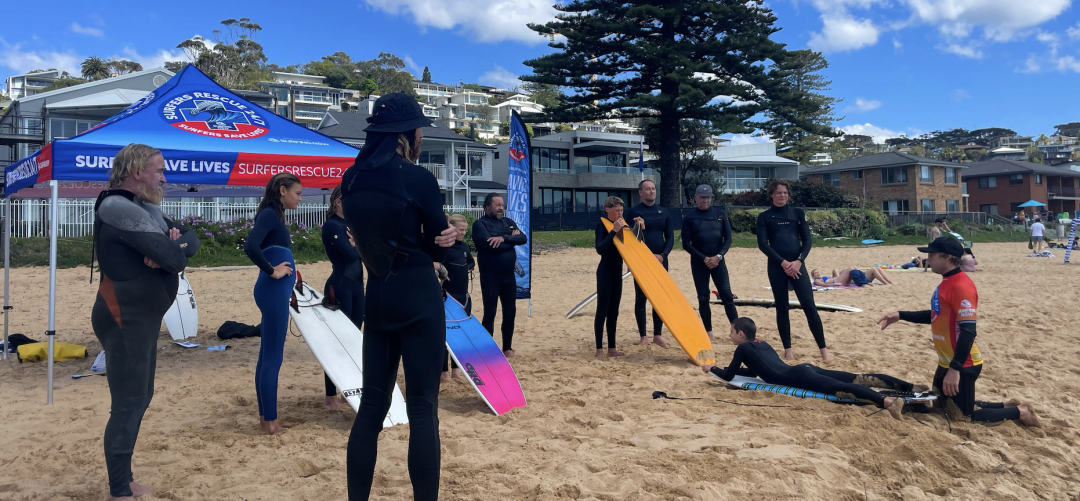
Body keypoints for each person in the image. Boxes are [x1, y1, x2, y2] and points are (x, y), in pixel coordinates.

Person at [339, 92, 457, 500]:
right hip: (418, 296)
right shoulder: (417, 178)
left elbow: (376, 241)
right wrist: (444, 241)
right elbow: (435, 246)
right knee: (423, 409)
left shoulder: (350, 180)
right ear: (409, 133)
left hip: (379, 297)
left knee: (371, 408)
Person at [91, 143, 200, 500]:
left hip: (143, 317)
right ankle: (119, 489)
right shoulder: (117, 206)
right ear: (137, 170)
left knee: (141, 396)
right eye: (159, 170)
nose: (165, 178)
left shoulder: (146, 208)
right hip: (124, 315)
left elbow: (191, 241)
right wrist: (168, 251)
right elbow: (175, 257)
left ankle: (125, 479)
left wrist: (172, 249)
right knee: (130, 400)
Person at [876, 237, 1040, 426]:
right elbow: (938, 315)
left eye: (931, 255)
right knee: (941, 405)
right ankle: (1004, 405)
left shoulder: (961, 286)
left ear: (947, 257)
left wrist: (955, 370)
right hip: (946, 361)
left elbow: (968, 331)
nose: (928, 259)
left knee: (963, 417)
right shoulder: (947, 281)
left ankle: (1020, 411)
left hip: (963, 363)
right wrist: (901, 315)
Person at [702, 318, 910, 420]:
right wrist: (723, 369)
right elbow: (754, 373)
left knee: (841, 386)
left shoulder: (742, 348)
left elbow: (729, 374)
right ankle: (908, 386)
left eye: (730, 332)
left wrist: (712, 368)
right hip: (804, 368)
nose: (729, 335)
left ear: (740, 333)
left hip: (797, 377)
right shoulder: (760, 343)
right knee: (856, 377)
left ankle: (888, 402)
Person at [244, 172, 302, 435]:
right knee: (273, 358)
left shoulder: (272, 214)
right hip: (273, 290)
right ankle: (271, 423)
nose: (300, 199)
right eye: (297, 193)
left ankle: (265, 417)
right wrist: (272, 271)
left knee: (267, 356)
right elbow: (250, 246)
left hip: (273, 291)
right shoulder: (269, 213)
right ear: (282, 190)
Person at [756, 179, 829, 361]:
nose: (783, 196)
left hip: (798, 266)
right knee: (782, 308)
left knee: (809, 306)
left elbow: (807, 241)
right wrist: (783, 263)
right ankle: (788, 350)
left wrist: (798, 261)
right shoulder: (764, 217)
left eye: (785, 193)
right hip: (776, 266)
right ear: (771, 194)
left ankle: (823, 349)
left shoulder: (797, 213)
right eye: (779, 192)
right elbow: (763, 245)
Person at [320, 185, 363, 409]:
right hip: (340, 285)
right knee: (336, 342)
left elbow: (364, 251)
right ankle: (330, 396)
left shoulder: (352, 225)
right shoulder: (331, 226)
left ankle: (347, 389)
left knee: (353, 340)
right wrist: (359, 244)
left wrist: (358, 242)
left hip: (357, 286)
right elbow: (350, 253)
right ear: (338, 202)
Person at [472, 193, 527, 357]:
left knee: (510, 311)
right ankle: (487, 350)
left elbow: (523, 238)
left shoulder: (508, 222)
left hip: (509, 276)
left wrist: (503, 238)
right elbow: (490, 246)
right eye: (497, 205)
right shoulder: (480, 224)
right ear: (487, 206)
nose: (501, 208)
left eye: (502, 205)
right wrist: (511, 242)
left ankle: (507, 348)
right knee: (490, 311)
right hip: (490, 276)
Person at [682, 184, 738, 340]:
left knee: (727, 295)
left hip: (718, 261)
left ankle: (737, 330)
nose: (705, 200)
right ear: (696, 197)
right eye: (702, 197)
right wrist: (704, 258)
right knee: (703, 297)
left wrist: (718, 256)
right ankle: (708, 332)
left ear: (711, 198)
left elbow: (728, 239)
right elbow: (686, 244)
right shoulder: (689, 218)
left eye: (708, 197)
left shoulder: (720, 214)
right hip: (700, 262)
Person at [626, 179, 673, 346]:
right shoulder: (633, 212)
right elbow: (629, 239)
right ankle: (643, 336)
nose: (651, 192)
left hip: (660, 260)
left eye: (653, 189)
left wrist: (663, 255)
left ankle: (657, 335)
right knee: (641, 297)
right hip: (641, 261)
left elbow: (670, 237)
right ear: (640, 192)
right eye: (647, 189)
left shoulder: (663, 212)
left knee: (659, 298)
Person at [594, 196, 643, 358]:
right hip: (604, 272)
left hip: (617, 273)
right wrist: (614, 230)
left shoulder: (624, 225)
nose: (620, 214)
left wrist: (639, 228)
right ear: (607, 209)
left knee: (614, 311)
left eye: (622, 210)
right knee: (602, 310)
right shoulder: (601, 225)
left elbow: (633, 245)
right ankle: (599, 348)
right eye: (616, 211)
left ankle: (612, 348)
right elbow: (600, 249)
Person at [441, 214, 474, 382]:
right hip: (447, 296)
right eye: (461, 230)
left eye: (465, 230)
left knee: (460, 334)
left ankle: (456, 370)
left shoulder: (464, 246)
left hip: (463, 296)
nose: (463, 233)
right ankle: (444, 372)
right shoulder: (444, 247)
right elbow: (436, 265)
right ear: (452, 228)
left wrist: (465, 269)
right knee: (445, 334)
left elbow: (471, 262)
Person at [811, 267, 893, 287]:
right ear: (813, 276)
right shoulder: (816, 281)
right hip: (836, 282)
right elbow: (824, 285)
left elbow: (835, 274)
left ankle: (889, 282)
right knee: (850, 268)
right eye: (815, 273)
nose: (818, 274)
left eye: (818, 272)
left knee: (876, 268)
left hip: (837, 279)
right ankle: (885, 283)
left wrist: (835, 271)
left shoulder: (824, 277)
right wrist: (835, 285)